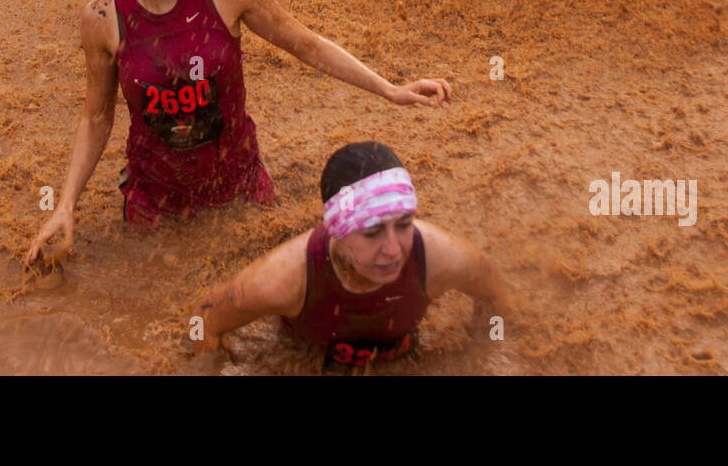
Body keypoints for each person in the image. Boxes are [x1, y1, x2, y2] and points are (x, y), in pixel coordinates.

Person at [26, 0, 453, 263]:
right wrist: (65, 207)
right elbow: (96, 117)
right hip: (152, 198)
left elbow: (305, 45)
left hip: (240, 185)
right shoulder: (101, 20)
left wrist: (388, 89)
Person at [189, 141, 510, 371]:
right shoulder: (284, 280)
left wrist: (481, 356)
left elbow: (495, 294)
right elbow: (204, 318)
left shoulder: (440, 257)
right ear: (337, 230)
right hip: (305, 358)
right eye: (372, 233)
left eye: (403, 225)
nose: (394, 249)